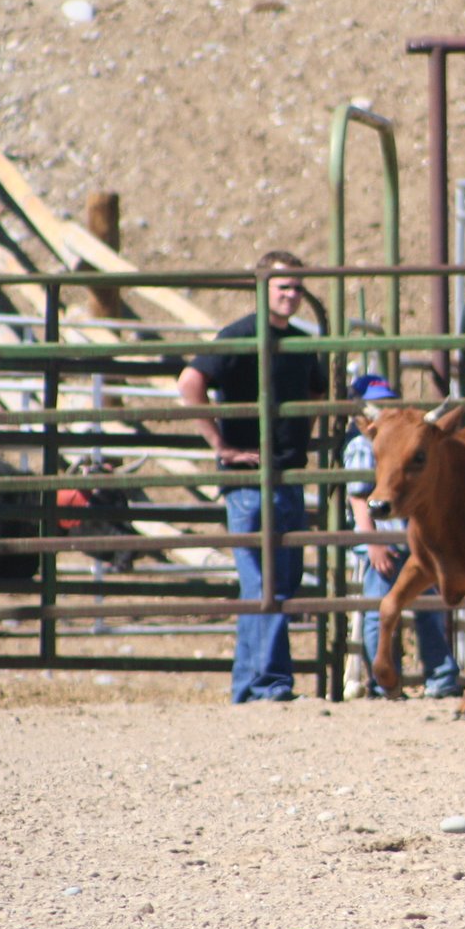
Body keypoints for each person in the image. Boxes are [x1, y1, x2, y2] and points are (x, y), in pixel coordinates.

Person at [177, 250, 327, 703]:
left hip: (285, 474)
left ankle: (249, 685)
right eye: (283, 287)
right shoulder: (240, 335)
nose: (292, 295)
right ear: (262, 288)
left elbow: (317, 391)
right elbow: (189, 383)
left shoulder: (300, 343)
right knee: (267, 582)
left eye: (297, 287)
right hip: (248, 478)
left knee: (272, 581)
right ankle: (269, 683)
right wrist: (220, 445)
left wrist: (298, 437)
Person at [343, 373, 464, 699]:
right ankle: (383, 682)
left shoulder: (400, 439)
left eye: (387, 402)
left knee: (427, 608)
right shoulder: (363, 444)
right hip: (384, 540)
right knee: (379, 611)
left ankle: (439, 678)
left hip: (411, 539)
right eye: (377, 404)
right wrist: (373, 543)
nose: (385, 408)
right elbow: (359, 497)